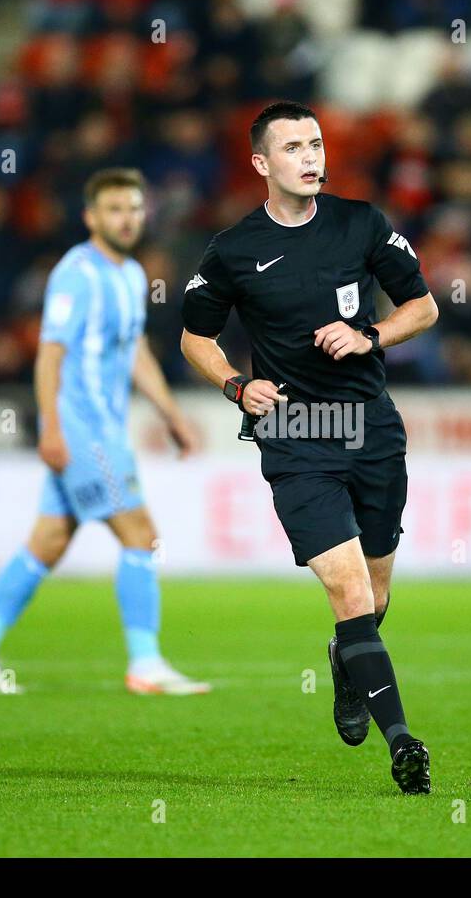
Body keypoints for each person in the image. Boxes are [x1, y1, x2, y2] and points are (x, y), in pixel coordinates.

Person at [178, 101, 440, 794]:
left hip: (372, 427)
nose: (311, 156)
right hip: (297, 435)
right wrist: (237, 386)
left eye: (316, 144)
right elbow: (194, 338)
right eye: (293, 147)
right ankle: (404, 744)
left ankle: (347, 665)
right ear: (263, 164)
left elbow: (424, 306)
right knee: (349, 589)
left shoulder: (362, 223)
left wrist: (370, 337)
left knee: (375, 593)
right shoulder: (232, 250)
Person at [0, 168, 208, 696]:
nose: (127, 218)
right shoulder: (77, 272)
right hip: (84, 431)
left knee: (47, 542)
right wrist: (51, 429)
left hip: (101, 429)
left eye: (135, 208)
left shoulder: (132, 276)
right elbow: (50, 353)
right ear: (91, 217)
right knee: (141, 536)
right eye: (115, 209)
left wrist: (171, 414)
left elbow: (135, 352)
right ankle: (146, 664)